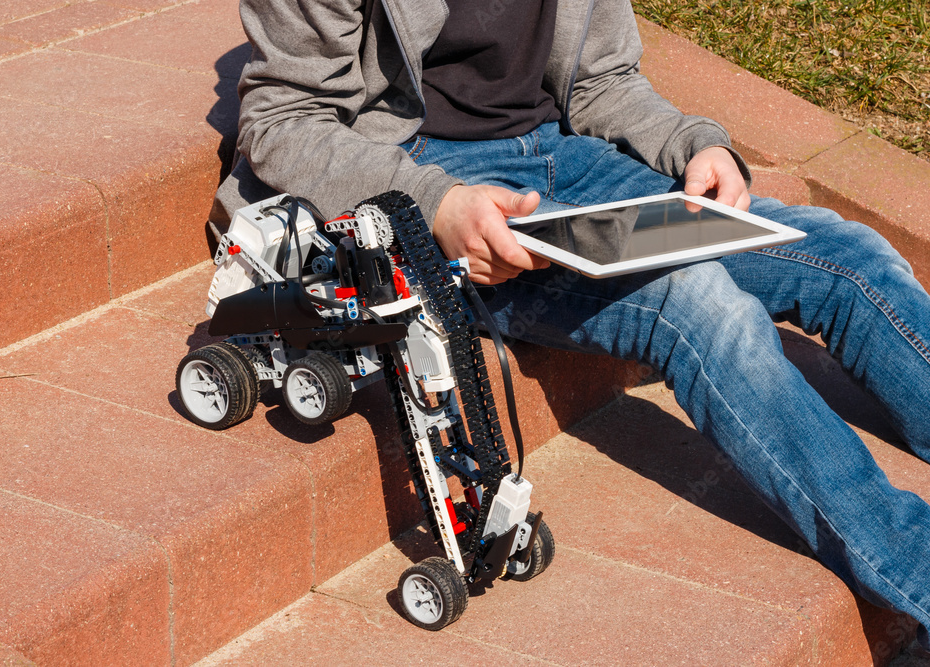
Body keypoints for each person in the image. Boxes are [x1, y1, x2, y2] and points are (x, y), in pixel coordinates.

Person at [212, 0, 930, 651]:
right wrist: (434, 204)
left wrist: (693, 143)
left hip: (566, 159)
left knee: (846, 254)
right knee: (695, 299)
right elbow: (282, 121)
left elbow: (602, 79)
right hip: (420, 185)